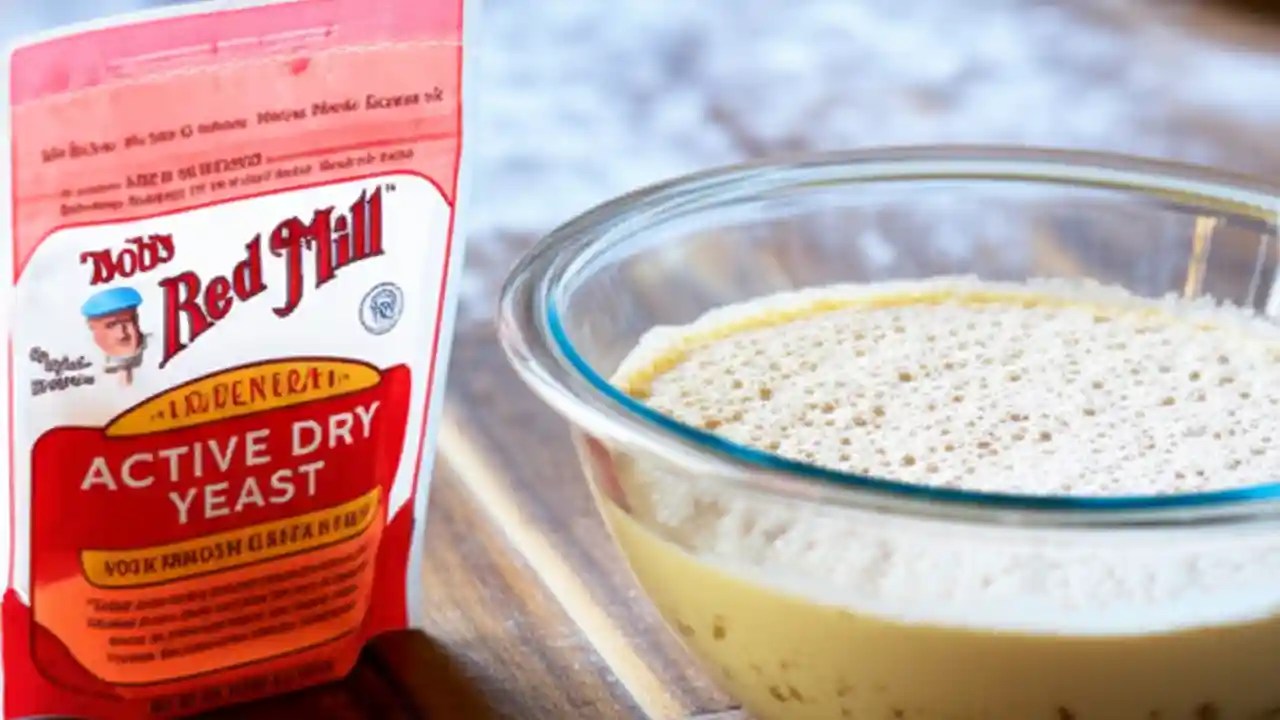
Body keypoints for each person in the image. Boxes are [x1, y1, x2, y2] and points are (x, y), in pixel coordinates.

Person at [80, 286, 147, 386]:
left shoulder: (158, 352)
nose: (122, 335)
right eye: (111, 326)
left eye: (127, 322)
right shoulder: (86, 364)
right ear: (92, 328)